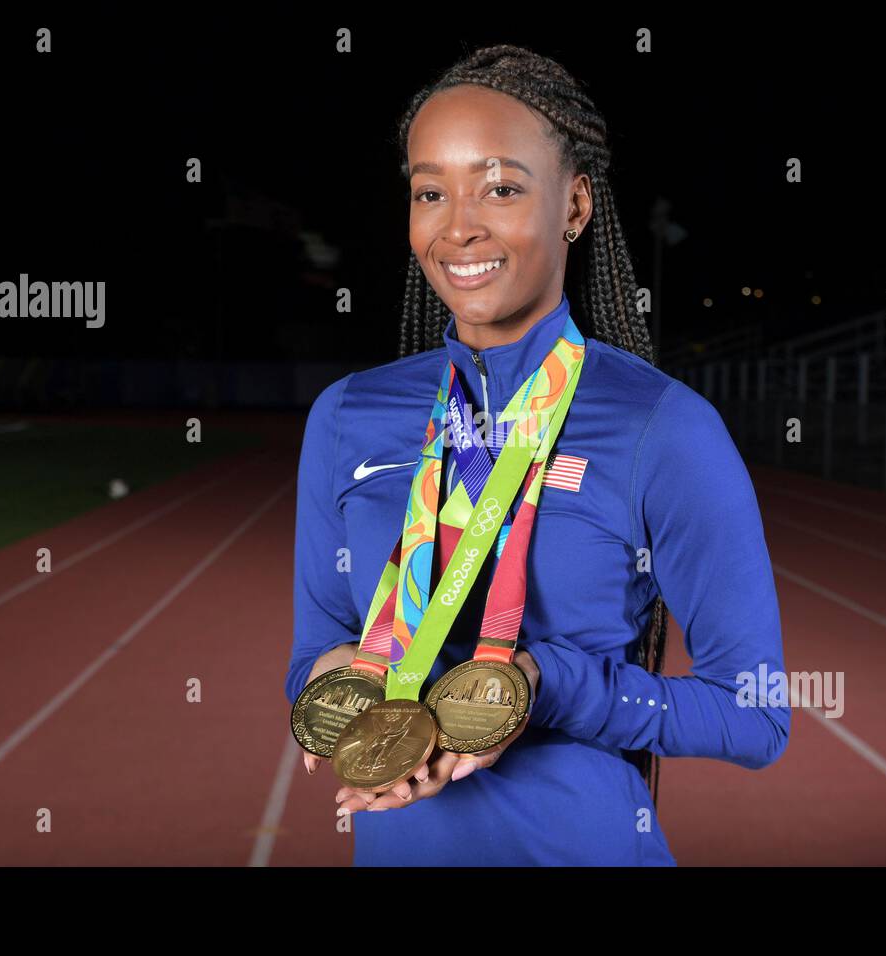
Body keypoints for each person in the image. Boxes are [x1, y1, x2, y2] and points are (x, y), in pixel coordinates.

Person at [285, 44, 788, 866]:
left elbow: (758, 718)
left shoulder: (663, 428)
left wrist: (546, 683)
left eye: (502, 187)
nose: (459, 226)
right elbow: (314, 655)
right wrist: (341, 679)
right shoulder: (348, 417)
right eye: (429, 191)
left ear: (576, 206)